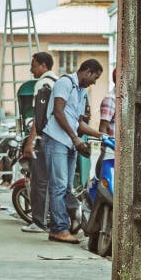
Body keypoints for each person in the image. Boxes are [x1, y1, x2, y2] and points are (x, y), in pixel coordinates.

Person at [43, 59, 103, 244]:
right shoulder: (65, 83)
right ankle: (59, 229)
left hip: (69, 143)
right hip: (56, 140)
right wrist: (75, 138)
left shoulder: (82, 91)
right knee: (59, 186)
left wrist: (101, 135)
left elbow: (79, 123)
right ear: (87, 71)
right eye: (95, 77)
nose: (94, 82)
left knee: (67, 188)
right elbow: (58, 112)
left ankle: (64, 225)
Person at [20, 52, 58, 234]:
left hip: (44, 139)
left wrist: (30, 141)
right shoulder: (57, 82)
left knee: (39, 182)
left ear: (43, 66)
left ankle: (39, 222)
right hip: (57, 139)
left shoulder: (42, 84)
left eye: (34, 65)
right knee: (55, 183)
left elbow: (39, 117)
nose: (31, 69)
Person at [99, 68, 117, 136]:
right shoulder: (110, 99)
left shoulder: (122, 98)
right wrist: (107, 142)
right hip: (113, 141)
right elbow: (103, 128)